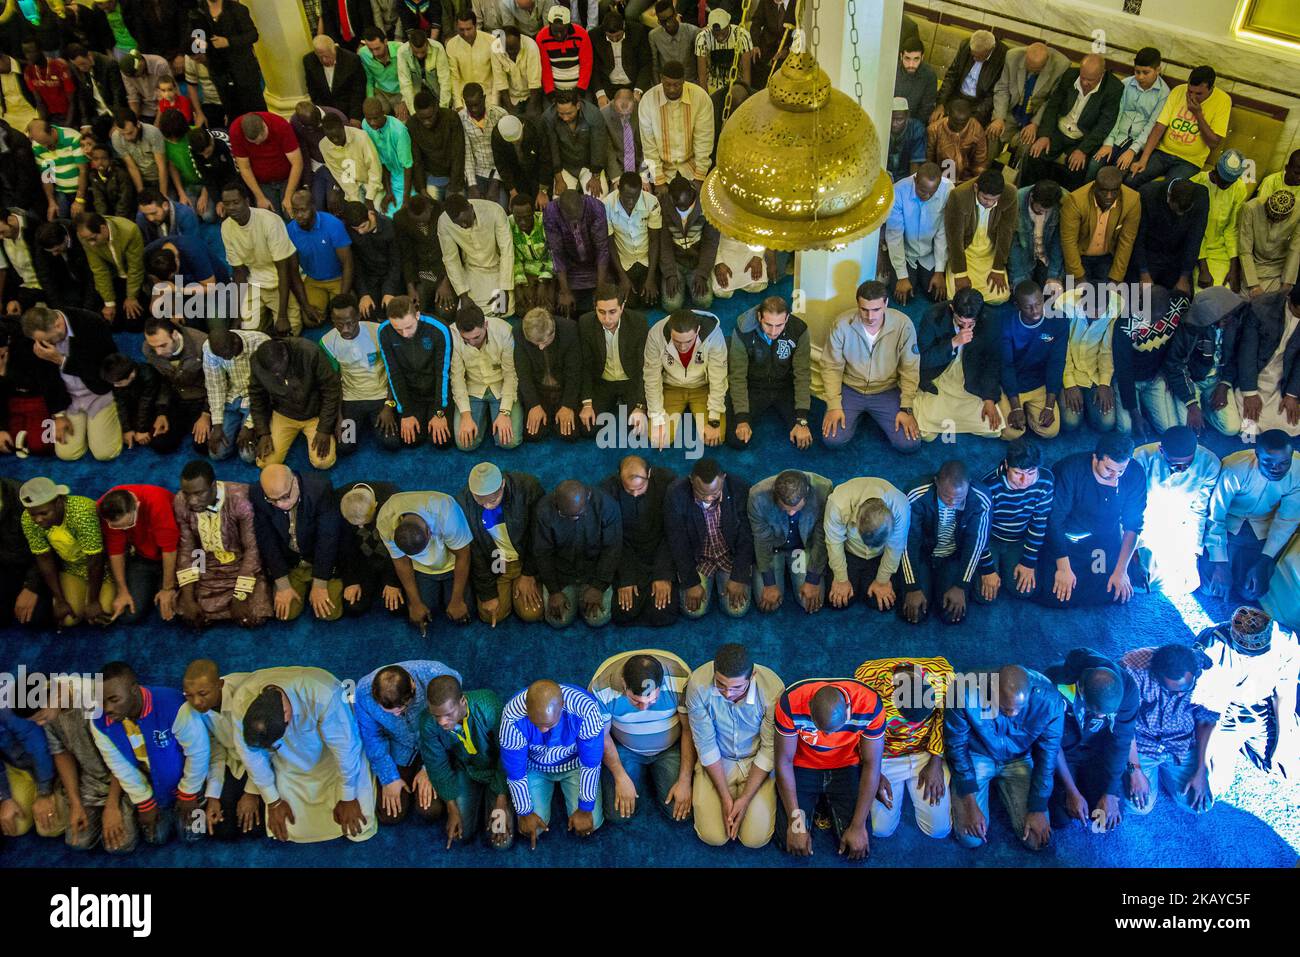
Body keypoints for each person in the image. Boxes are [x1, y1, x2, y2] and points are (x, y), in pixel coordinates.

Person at [232, 666, 378, 843]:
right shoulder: (242, 699)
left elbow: (346, 748)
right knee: (290, 828)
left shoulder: (323, 693)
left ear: (287, 716)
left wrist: (348, 797)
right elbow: (251, 756)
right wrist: (273, 800)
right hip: (289, 762)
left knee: (360, 828)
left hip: (331, 758)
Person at [89, 661, 210, 847]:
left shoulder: (174, 705)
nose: (107, 709)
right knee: (156, 838)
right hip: (149, 785)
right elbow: (119, 765)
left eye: (114, 700)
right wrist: (144, 802)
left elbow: (199, 752)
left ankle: (192, 802)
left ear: (134, 690)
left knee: (194, 834)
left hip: (187, 782)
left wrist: (189, 793)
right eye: (101, 701)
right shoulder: (98, 721)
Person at [947, 663, 1062, 850]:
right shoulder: (964, 691)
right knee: (970, 839)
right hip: (978, 754)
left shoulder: (1050, 701)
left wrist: (1038, 806)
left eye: (1019, 709)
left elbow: (1048, 755)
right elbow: (956, 746)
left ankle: (1004, 790)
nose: (1012, 714)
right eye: (1004, 708)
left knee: (1036, 841)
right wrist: (969, 801)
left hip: (1019, 758)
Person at [773, 676, 884, 860]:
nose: (827, 736)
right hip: (804, 765)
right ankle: (816, 806)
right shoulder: (790, 702)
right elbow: (784, 761)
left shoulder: (870, 704)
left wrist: (858, 826)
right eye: (821, 729)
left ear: (848, 710)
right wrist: (796, 822)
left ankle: (822, 804)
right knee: (788, 841)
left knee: (856, 846)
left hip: (846, 765)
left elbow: (872, 763)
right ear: (809, 707)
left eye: (833, 730)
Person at [684, 643, 781, 847]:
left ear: (752, 676)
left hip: (756, 760)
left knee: (755, 840)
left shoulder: (773, 689)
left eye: (737, 687)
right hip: (719, 759)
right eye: (720, 684)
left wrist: (745, 799)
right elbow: (705, 744)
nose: (728, 693)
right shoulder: (697, 684)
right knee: (713, 837)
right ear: (714, 672)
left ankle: (750, 796)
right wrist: (725, 796)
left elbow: (769, 748)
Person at [1196, 607, 1299, 797]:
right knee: (1211, 788)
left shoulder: (1286, 641)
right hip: (1223, 711)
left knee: (1291, 769)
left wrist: (1282, 741)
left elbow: (1285, 693)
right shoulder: (1211, 645)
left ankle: (1246, 742)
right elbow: (1205, 708)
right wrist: (1202, 764)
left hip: (1262, 707)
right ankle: (1233, 743)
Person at [27, 674, 135, 852]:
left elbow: (122, 754)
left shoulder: (94, 701)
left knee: (120, 845)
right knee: (77, 841)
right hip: (92, 779)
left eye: (42, 716)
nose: (40, 723)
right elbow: (61, 752)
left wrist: (112, 805)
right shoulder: (48, 708)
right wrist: (76, 803)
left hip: (125, 775)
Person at [1040, 433, 1147, 608]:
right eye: (1109, 469)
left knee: (1115, 591)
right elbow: (1054, 520)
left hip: (1104, 538)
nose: (1115, 476)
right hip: (1069, 535)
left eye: (1121, 470)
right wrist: (1063, 568)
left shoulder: (1135, 474)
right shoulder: (1069, 469)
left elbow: (1133, 524)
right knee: (1054, 592)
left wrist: (1121, 571)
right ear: (1096, 457)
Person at [591, 649, 694, 827]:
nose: (643, 708)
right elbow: (603, 735)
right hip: (625, 748)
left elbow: (688, 729)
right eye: (635, 700)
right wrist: (620, 776)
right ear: (624, 684)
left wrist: (685, 780)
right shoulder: (601, 687)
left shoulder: (680, 678)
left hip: (670, 748)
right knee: (617, 816)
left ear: (661, 686)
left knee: (681, 814)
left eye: (652, 700)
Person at [499, 679, 604, 847]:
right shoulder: (512, 716)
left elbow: (591, 763)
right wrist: (524, 812)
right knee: (532, 829)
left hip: (574, 764)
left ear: (562, 706)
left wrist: (585, 808)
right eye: (536, 724)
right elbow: (515, 771)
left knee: (594, 822)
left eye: (548, 724)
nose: (542, 730)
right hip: (535, 766)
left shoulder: (585, 708)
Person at [1044, 649, 1139, 834]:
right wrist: (1072, 792)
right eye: (1097, 712)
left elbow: (1121, 741)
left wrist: (1109, 792)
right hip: (1065, 751)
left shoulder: (1128, 689)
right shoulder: (1054, 683)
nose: (1102, 717)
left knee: (1107, 817)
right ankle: (1069, 787)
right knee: (1059, 818)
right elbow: (1050, 742)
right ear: (1081, 689)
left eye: (1107, 714)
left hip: (1096, 753)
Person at [355, 661, 461, 826]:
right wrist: (389, 778)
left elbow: (450, 724)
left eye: (401, 710)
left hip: (435, 744)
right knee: (390, 815)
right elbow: (372, 737)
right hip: (399, 746)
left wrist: (429, 768)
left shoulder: (437, 676)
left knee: (431, 810)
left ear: (413, 687)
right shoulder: (363, 692)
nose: (396, 716)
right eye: (389, 712)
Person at [173, 459, 273, 628]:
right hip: (205, 561)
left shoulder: (240, 499)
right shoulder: (180, 501)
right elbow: (188, 549)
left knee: (256, 612)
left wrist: (240, 595)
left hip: (240, 562)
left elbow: (252, 549)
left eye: (198, 493)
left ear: (213, 486)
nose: (192, 501)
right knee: (189, 610)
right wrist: (189, 598)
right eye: (187, 493)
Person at [1120, 644, 1216, 816]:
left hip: (1181, 742)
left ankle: (1165, 773)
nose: (1180, 695)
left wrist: (1201, 767)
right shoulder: (1131, 670)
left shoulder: (1209, 673)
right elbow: (1125, 724)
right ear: (1157, 676)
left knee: (1200, 804)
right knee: (1140, 807)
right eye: (1171, 690)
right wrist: (1134, 770)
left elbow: (1206, 720)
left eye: (1185, 689)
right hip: (1143, 742)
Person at [1203, 431, 1300, 601]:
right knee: (1208, 587)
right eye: (1268, 461)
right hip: (1229, 525)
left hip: (1263, 530)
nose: (1275, 469)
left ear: (1292, 455)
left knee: (1251, 592)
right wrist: (1220, 564)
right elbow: (1216, 515)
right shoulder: (1234, 468)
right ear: (1256, 454)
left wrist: (1264, 561)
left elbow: (1286, 521)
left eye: (1284, 463)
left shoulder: (1298, 473)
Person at [419, 675, 513, 850]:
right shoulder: (428, 724)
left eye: (448, 714)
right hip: (467, 770)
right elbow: (436, 765)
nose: (442, 722)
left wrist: (501, 800)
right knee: (460, 836)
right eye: (436, 715)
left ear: (462, 701)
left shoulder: (488, 706)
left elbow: (507, 753)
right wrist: (451, 806)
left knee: (501, 844)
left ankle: (493, 799)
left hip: (497, 771)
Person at [19, 304, 121, 462]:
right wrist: (58, 414)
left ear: (58, 324)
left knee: (105, 453)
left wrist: (61, 360)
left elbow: (106, 369)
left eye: (48, 339)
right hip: (68, 397)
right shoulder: (38, 340)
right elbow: (45, 378)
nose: (44, 345)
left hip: (97, 390)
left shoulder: (91, 323)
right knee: (67, 454)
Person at [899, 461, 991, 627]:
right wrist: (912, 586)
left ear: (969, 485)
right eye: (946, 496)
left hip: (953, 556)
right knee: (914, 614)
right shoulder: (916, 493)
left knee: (952, 615)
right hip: (923, 554)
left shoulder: (980, 497)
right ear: (936, 482)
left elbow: (975, 542)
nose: (951, 503)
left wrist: (961, 585)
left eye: (959, 498)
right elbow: (907, 541)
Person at [1131, 426, 1221, 595]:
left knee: (1190, 583)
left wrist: (1194, 552)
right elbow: (1130, 509)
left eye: (1187, 464)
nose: (1181, 470)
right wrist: (1134, 557)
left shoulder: (1209, 463)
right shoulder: (1140, 458)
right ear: (1161, 450)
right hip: (1145, 523)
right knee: (1141, 583)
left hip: (1181, 524)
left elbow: (1198, 511)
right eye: (1174, 464)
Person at [178, 661, 260, 842]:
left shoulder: (247, 694)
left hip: (264, 760)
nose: (196, 702)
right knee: (223, 830)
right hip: (234, 763)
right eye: (189, 696)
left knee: (255, 828)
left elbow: (267, 746)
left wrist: (251, 793)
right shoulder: (197, 711)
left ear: (220, 685)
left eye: (203, 694)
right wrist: (213, 795)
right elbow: (215, 750)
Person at [455, 461, 544, 625]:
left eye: (493, 500)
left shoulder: (527, 487)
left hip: (523, 558)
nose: (488, 506)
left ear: (502, 484)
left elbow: (538, 536)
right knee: (490, 615)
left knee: (531, 614)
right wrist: (488, 594)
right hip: (495, 560)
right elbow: (475, 552)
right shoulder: (463, 503)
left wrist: (528, 574)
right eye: (481, 502)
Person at [252, 465, 344, 623]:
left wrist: (320, 583)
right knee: (287, 614)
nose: (280, 504)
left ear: (294, 482)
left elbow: (327, 537)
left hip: (318, 558)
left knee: (329, 613)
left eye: (284, 496)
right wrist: (283, 585)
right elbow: (267, 541)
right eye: (272, 500)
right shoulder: (258, 494)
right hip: (292, 563)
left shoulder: (320, 488)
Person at [912, 287, 1005, 440]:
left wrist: (989, 398)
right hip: (941, 372)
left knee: (993, 430)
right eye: (960, 322)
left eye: (971, 323)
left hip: (971, 376)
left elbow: (992, 362)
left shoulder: (992, 319)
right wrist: (953, 343)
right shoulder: (933, 315)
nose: (966, 328)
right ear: (951, 308)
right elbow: (922, 359)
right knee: (925, 434)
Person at [664, 457, 752, 619]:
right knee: (694, 612)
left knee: (737, 610)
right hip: (700, 559)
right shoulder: (675, 494)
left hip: (729, 556)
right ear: (691, 481)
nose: (708, 498)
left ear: (723, 479)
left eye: (715, 493)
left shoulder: (739, 487)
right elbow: (678, 542)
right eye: (702, 493)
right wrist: (691, 582)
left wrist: (739, 576)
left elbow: (746, 536)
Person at [377, 488, 474, 632]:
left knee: (464, 613)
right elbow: (401, 562)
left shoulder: (447, 511)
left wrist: (457, 600)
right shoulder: (386, 519)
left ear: (429, 532)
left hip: (452, 565)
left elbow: (463, 556)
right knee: (421, 613)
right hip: (421, 570)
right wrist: (415, 603)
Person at [1020, 55, 1122, 191]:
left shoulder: (1113, 88)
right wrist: (1044, 135)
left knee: (1077, 168)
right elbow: (1053, 106)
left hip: (1082, 137)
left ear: (1101, 74)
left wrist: (1083, 150)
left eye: (1090, 80)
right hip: (1058, 130)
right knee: (1035, 155)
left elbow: (1104, 125)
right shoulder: (1070, 75)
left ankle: (1060, 203)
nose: (1084, 82)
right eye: (1083, 77)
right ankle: (1027, 195)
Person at [219, 183, 309, 336]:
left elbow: (283, 269)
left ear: (247, 202)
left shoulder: (269, 221)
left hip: (279, 281)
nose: (232, 208)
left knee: (292, 330)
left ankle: (273, 317)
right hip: (255, 281)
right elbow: (239, 272)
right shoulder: (226, 227)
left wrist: (282, 316)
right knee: (246, 331)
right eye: (227, 204)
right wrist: (237, 314)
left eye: (236, 202)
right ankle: (266, 320)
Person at [599, 454, 678, 627]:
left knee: (662, 614)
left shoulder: (668, 483)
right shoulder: (607, 490)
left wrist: (663, 574)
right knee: (624, 613)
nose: (635, 494)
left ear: (649, 474)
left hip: (661, 550)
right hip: (627, 553)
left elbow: (673, 532)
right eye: (629, 490)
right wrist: (626, 577)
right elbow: (613, 537)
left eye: (640, 488)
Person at [531, 478, 620, 628]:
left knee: (598, 619)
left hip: (594, 572)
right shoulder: (543, 510)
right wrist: (554, 591)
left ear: (588, 497)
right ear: (555, 502)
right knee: (558, 621)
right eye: (566, 515)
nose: (574, 519)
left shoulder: (607, 505)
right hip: (561, 574)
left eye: (580, 514)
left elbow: (612, 548)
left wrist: (599, 586)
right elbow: (542, 553)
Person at [726, 295, 810, 450]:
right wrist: (742, 418)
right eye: (768, 324)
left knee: (804, 439)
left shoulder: (799, 330)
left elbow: (802, 374)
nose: (773, 331)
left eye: (779, 325)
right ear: (759, 317)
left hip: (784, 386)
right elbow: (737, 377)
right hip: (754, 386)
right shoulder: (742, 331)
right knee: (735, 440)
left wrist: (802, 419)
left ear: (787, 319)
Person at [977, 439, 1055, 604]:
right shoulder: (988, 485)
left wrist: (1028, 561)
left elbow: (1039, 523)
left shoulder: (1046, 481)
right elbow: (979, 529)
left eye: (1031, 473)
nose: (1024, 481)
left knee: (1025, 591)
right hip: (992, 538)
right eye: (1018, 473)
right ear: (1007, 465)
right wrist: (988, 569)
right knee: (982, 596)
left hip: (1020, 539)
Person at [321, 293, 401, 456]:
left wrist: (389, 406)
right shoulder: (327, 342)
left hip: (380, 397)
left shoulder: (379, 333)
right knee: (345, 445)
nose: (345, 329)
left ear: (358, 316)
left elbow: (394, 372)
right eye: (339, 324)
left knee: (392, 442)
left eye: (349, 323)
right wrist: (339, 417)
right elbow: (333, 383)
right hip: (351, 399)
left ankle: (375, 419)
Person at [1160, 285, 1245, 436]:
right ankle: (1198, 405)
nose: (1224, 322)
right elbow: (1175, 365)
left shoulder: (1235, 323)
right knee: (1185, 429)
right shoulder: (1189, 326)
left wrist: (1224, 385)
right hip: (1191, 381)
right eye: (1220, 318)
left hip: (1217, 380)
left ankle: (1205, 408)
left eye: (1227, 316)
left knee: (1231, 429)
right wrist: (1192, 404)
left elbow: (1235, 358)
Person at [1127, 65, 1230, 187]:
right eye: (1190, 91)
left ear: (1211, 88)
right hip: (1162, 153)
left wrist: (1197, 114)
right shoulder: (1178, 91)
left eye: (1199, 94)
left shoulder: (1223, 100)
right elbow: (1159, 127)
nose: (1192, 97)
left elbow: (1213, 143)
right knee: (1131, 179)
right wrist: (1143, 160)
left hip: (1190, 161)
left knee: (1168, 191)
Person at [1111, 284, 1192, 439]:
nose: (1154, 322)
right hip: (1129, 381)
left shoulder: (1179, 304)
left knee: (1169, 430)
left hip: (1155, 377)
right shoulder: (1126, 323)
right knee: (1126, 430)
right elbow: (1123, 369)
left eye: (1159, 316)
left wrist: (1167, 370)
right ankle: (1137, 407)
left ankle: (1147, 406)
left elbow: (1178, 342)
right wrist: (1135, 413)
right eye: (1150, 316)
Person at [248, 337, 340, 470]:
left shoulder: (309, 352)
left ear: (285, 355)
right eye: (272, 373)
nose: (277, 375)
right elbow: (256, 397)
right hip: (283, 413)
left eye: (278, 370)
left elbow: (331, 390)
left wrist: (324, 429)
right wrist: (263, 433)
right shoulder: (257, 363)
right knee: (266, 462)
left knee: (323, 462)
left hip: (315, 413)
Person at [642, 306, 727, 449]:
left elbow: (718, 378)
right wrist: (656, 417)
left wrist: (714, 419)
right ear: (670, 332)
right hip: (671, 387)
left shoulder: (714, 335)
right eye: (677, 341)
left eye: (688, 341)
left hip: (702, 387)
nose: (682, 347)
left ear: (698, 331)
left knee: (715, 439)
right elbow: (651, 377)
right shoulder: (656, 334)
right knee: (658, 440)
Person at [747, 468, 829, 615]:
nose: (791, 513)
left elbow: (821, 537)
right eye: (785, 509)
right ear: (775, 496)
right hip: (773, 548)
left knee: (808, 603)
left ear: (807, 494)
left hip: (802, 548)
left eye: (796, 509)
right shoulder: (757, 496)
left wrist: (812, 578)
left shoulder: (823, 490)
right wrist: (769, 582)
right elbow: (761, 539)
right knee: (767, 604)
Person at [823, 475, 910, 614]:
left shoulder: (900, 505)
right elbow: (834, 542)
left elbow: (895, 547)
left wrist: (882, 581)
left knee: (879, 602)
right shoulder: (837, 502)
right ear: (857, 521)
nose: (869, 548)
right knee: (837, 601)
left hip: (881, 556)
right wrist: (841, 579)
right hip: (850, 551)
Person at [96, 485, 179, 626]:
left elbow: (170, 549)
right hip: (142, 558)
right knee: (129, 615)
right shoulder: (104, 507)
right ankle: (151, 587)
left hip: (174, 556)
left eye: (128, 525)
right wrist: (122, 591)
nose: (123, 530)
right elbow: (116, 551)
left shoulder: (156, 501)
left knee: (174, 612)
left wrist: (167, 588)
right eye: (117, 527)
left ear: (137, 506)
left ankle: (162, 586)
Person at [577, 285, 650, 438]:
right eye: (601, 312)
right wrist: (587, 404)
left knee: (638, 431)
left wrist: (640, 405)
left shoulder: (638, 322)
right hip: (603, 383)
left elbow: (644, 366)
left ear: (622, 307)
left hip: (631, 381)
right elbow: (585, 366)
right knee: (588, 430)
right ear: (595, 308)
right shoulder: (585, 323)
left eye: (612, 312)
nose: (607, 319)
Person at [448, 303, 522, 451]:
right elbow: (457, 378)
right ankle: (485, 418)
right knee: (465, 445)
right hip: (473, 389)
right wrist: (466, 416)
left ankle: (493, 416)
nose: (472, 343)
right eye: (466, 340)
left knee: (509, 442)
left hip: (500, 387)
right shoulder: (453, 334)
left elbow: (510, 375)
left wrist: (504, 412)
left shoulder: (504, 331)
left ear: (485, 324)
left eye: (476, 337)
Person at [998, 281, 1066, 440]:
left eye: (1038, 303)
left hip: (1039, 384)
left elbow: (1056, 363)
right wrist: (1015, 407)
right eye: (1028, 307)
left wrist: (1049, 405)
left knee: (1051, 431)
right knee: (1010, 433)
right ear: (1017, 306)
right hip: (1012, 382)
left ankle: (1029, 415)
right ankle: (1020, 412)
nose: (1035, 311)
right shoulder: (1006, 322)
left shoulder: (1058, 321)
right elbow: (1006, 366)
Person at [1090, 46, 1168, 180]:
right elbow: (1116, 113)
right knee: (1094, 164)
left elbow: (1152, 125)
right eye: (1137, 72)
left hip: (1138, 143)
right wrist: (1108, 142)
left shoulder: (1164, 93)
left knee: (1117, 173)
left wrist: (1132, 150)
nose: (1140, 77)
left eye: (1146, 72)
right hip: (1116, 136)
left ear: (1158, 70)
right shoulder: (1126, 84)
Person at [638, 60, 712, 193]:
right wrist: (659, 181)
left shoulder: (700, 98)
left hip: (692, 167)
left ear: (684, 80)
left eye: (676, 85)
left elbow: (704, 141)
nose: (672, 89)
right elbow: (649, 147)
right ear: (661, 80)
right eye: (667, 85)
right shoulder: (648, 101)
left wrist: (700, 177)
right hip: (662, 168)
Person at [945, 168, 1016, 305]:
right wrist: (961, 274)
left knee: (1000, 297)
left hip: (989, 253)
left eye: (994, 200)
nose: (989, 203)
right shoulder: (959, 196)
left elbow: (1006, 231)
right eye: (985, 198)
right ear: (976, 188)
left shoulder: (1010, 193)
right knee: (955, 297)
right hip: (965, 252)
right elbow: (954, 238)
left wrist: (998, 268)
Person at [1059, 166, 1141, 285]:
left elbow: (1127, 241)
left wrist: (1116, 278)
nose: (1109, 196)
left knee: (1105, 297)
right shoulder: (1075, 200)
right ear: (1094, 187)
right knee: (1077, 296)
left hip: (1107, 256)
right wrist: (1077, 275)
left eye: (1114, 191)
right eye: (1104, 191)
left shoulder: (1132, 200)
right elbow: (1068, 241)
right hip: (1080, 255)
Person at [1236, 285, 1300, 436]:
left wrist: (1292, 394)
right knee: (1249, 424)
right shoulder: (1261, 307)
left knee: (1291, 424)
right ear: (1289, 300)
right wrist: (1250, 393)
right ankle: (1247, 445)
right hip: (1254, 375)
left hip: (1282, 377)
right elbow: (1247, 351)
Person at [1058, 281, 1122, 433]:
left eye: (1100, 312)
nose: (1096, 316)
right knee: (1070, 423)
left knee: (1106, 424)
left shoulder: (1117, 307)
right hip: (1070, 372)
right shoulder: (1063, 307)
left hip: (1096, 374)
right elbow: (1061, 350)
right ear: (1082, 302)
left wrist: (1105, 383)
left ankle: (1087, 406)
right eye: (1091, 311)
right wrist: (1069, 384)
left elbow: (1107, 350)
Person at [884, 163, 952, 304]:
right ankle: (912, 277)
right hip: (906, 252)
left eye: (932, 193)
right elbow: (895, 236)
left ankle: (922, 276)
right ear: (915, 180)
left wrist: (939, 271)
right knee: (903, 297)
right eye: (922, 191)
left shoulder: (948, 189)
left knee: (938, 295)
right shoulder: (898, 191)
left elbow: (943, 233)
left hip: (930, 254)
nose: (927, 196)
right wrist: (902, 277)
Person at [438, 194, 515, 317]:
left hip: (499, 269)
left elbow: (507, 251)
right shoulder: (444, 222)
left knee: (503, 311)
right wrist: (463, 295)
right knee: (470, 313)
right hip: (473, 271)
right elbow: (451, 260)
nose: (463, 225)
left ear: (470, 208)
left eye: (464, 221)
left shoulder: (494, 211)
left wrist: (504, 288)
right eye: (458, 223)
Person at [187, 0, 266, 119]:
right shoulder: (197, 12)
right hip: (220, 73)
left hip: (244, 71)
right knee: (234, 114)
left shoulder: (237, 9)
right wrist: (199, 47)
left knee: (257, 112)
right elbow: (197, 38)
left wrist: (228, 42)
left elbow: (253, 35)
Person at [988, 40, 1068, 156]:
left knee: (1027, 146)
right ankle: (983, 171)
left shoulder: (1061, 66)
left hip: (1035, 117)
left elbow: (1051, 101)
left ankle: (1012, 172)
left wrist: (1035, 124)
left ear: (1045, 63)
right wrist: (999, 117)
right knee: (993, 134)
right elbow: (1002, 88)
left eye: (1035, 70)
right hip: (1012, 112)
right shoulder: (1012, 56)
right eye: (1028, 66)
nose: (1031, 71)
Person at [514, 308, 583, 441]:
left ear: (553, 332)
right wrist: (534, 405)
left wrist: (567, 405)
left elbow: (574, 371)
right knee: (533, 435)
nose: (541, 347)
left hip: (563, 388)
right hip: (539, 390)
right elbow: (523, 374)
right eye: (535, 344)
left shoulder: (569, 330)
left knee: (570, 434)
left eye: (545, 342)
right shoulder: (518, 332)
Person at [1131, 178, 1208, 294]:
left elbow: (1195, 239)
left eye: (1185, 211)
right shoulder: (1148, 194)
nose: (1180, 215)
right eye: (1177, 210)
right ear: (1169, 196)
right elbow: (1137, 238)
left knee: (1182, 300)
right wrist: (1144, 273)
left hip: (1176, 257)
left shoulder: (1201, 196)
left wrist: (1184, 276)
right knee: (1138, 298)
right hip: (1150, 254)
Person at [0, 704, 65, 843]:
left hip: (50, 766)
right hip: (17, 769)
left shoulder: (7, 710)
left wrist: (44, 793)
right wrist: (6, 798)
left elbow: (40, 749)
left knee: (48, 828)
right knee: (15, 826)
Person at [543, 187, 610, 317]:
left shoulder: (595, 207)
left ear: (582, 203)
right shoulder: (551, 211)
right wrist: (565, 291)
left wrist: (600, 288)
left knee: (606, 302)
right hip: (570, 266)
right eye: (570, 218)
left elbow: (602, 249)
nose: (575, 222)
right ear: (560, 209)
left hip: (595, 264)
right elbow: (556, 252)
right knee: (562, 307)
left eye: (577, 217)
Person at [75, 211, 148, 330]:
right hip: (114, 278)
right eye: (88, 240)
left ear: (103, 228)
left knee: (134, 322)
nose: (91, 244)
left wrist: (131, 297)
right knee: (112, 323)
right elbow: (99, 271)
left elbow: (136, 268)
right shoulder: (84, 237)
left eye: (93, 239)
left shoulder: (129, 231)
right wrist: (109, 303)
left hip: (134, 278)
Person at [657, 174, 718, 311]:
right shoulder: (663, 205)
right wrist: (670, 273)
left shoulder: (707, 205)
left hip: (697, 262)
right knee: (671, 305)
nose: (682, 209)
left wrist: (702, 273)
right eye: (678, 205)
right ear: (671, 198)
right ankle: (679, 282)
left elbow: (710, 243)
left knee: (705, 301)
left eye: (686, 205)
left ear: (692, 193)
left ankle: (692, 282)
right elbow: (664, 244)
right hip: (676, 262)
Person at [228, 110, 304, 219]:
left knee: (291, 214)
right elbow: (244, 168)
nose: (258, 144)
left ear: (264, 126)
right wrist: (260, 197)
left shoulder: (280, 125)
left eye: (260, 140)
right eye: (253, 143)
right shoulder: (236, 131)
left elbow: (297, 163)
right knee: (269, 217)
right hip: (262, 183)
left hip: (287, 178)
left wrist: (288, 196)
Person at [1192, 150, 1249, 290]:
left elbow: (1232, 228)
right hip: (1194, 249)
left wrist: (1234, 267)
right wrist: (1204, 269)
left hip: (1221, 251)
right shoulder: (1197, 182)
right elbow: (1193, 228)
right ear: (1216, 169)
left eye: (1231, 182)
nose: (1226, 186)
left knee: (1226, 292)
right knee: (1202, 294)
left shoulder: (1239, 188)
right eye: (1223, 181)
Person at [602, 171, 660, 308]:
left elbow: (654, 241)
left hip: (646, 261)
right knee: (630, 304)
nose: (631, 202)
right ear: (618, 189)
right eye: (627, 197)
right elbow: (609, 244)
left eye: (635, 197)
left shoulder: (651, 202)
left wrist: (651, 278)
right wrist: (623, 278)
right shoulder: (606, 205)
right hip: (624, 263)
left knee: (650, 302)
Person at [339, 202, 403, 320]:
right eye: (356, 229)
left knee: (393, 309)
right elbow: (356, 265)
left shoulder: (389, 226)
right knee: (367, 311)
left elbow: (396, 262)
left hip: (391, 276)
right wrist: (364, 294)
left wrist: (389, 290)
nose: (360, 232)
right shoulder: (351, 230)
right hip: (369, 278)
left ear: (370, 215)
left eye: (363, 226)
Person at [934, 28, 1006, 127]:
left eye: (979, 56)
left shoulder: (1002, 57)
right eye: (973, 55)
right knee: (936, 123)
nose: (974, 58)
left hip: (979, 103)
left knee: (967, 132)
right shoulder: (966, 45)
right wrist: (941, 103)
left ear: (990, 51)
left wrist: (976, 116)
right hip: (957, 96)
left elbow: (993, 95)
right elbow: (951, 76)